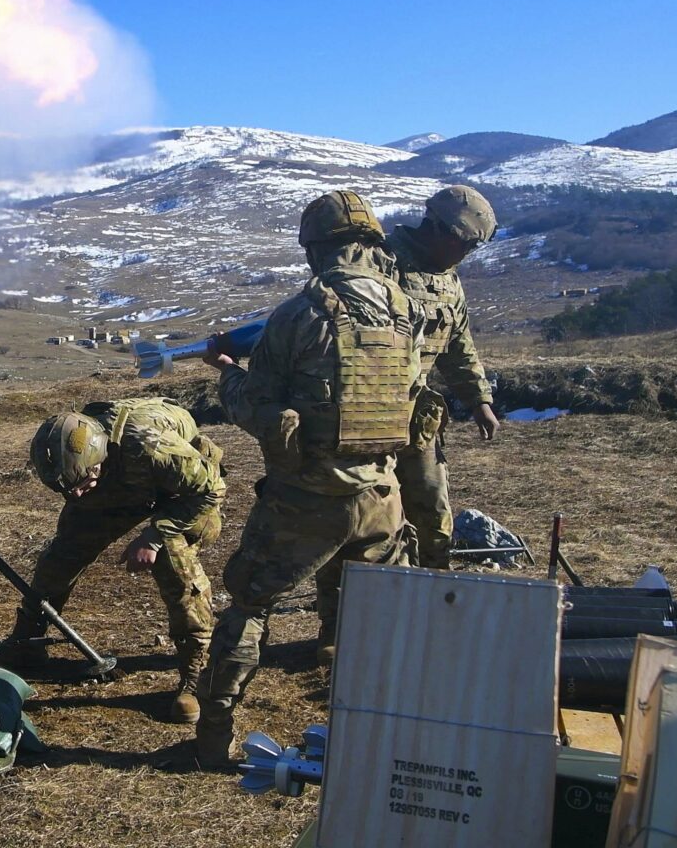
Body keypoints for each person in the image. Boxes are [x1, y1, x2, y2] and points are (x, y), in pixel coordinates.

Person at [195, 190, 421, 768]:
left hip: (306, 499)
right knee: (376, 620)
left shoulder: (300, 314)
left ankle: (213, 736)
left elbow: (256, 407)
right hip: (383, 495)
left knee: (249, 606)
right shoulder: (406, 312)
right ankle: (376, 743)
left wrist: (226, 373)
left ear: (315, 248)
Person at [5, 398, 227, 724]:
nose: (75, 495)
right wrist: (80, 487)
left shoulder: (151, 447)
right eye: (66, 489)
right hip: (121, 487)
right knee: (63, 555)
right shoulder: (77, 457)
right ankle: (27, 640)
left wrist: (154, 536)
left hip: (184, 495)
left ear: (99, 460)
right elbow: (77, 499)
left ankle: (197, 673)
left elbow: (211, 488)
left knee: (173, 561)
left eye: (81, 483)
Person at [384, 184, 500, 569]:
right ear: (437, 228)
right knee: (372, 516)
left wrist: (479, 400)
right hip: (367, 413)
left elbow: (457, 342)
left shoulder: (448, 279)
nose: (466, 253)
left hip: (416, 417)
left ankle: (432, 585)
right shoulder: (382, 262)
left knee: (432, 512)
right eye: (463, 243)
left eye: (473, 246)